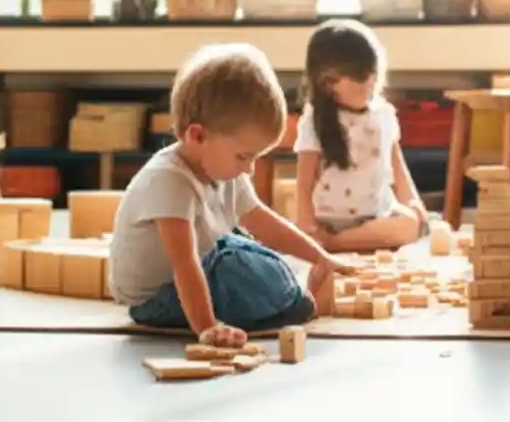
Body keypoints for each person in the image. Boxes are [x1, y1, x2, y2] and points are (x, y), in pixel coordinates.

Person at [109, 43, 355, 342]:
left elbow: (264, 223)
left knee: (249, 250)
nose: (250, 169)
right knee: (237, 265)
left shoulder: (222, 166)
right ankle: (285, 304)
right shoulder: (169, 181)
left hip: (208, 260)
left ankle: (286, 302)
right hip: (159, 298)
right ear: (198, 136)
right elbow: (184, 265)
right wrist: (208, 327)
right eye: (244, 156)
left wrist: (320, 257)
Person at [293, 19, 428, 253]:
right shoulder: (316, 119)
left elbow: (399, 170)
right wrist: (307, 223)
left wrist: (414, 205)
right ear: (328, 84)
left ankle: (336, 244)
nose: (369, 87)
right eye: (358, 84)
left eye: (373, 79)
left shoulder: (384, 115)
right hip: (328, 222)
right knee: (305, 235)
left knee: (408, 224)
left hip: (375, 218)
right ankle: (331, 241)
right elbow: (304, 181)